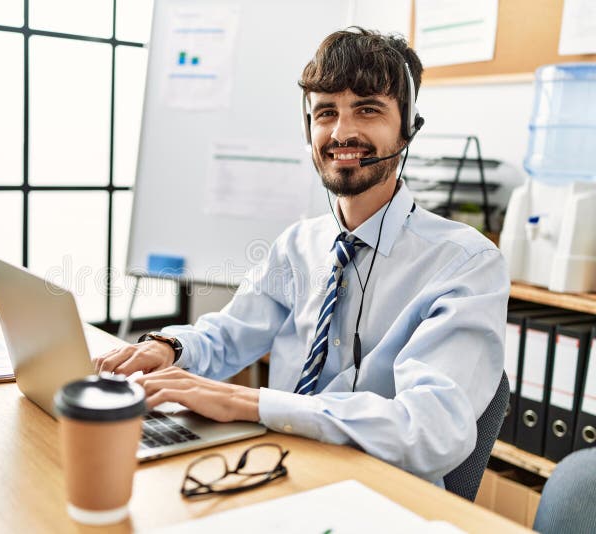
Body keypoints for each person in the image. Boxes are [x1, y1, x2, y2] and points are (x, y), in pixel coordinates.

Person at [97, 27, 509, 485]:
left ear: (408, 126)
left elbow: (431, 430)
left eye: (367, 110)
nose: (342, 132)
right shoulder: (298, 245)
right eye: (325, 112)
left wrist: (248, 403)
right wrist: (170, 347)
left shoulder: (465, 263)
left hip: (381, 496)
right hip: (276, 470)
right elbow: (230, 335)